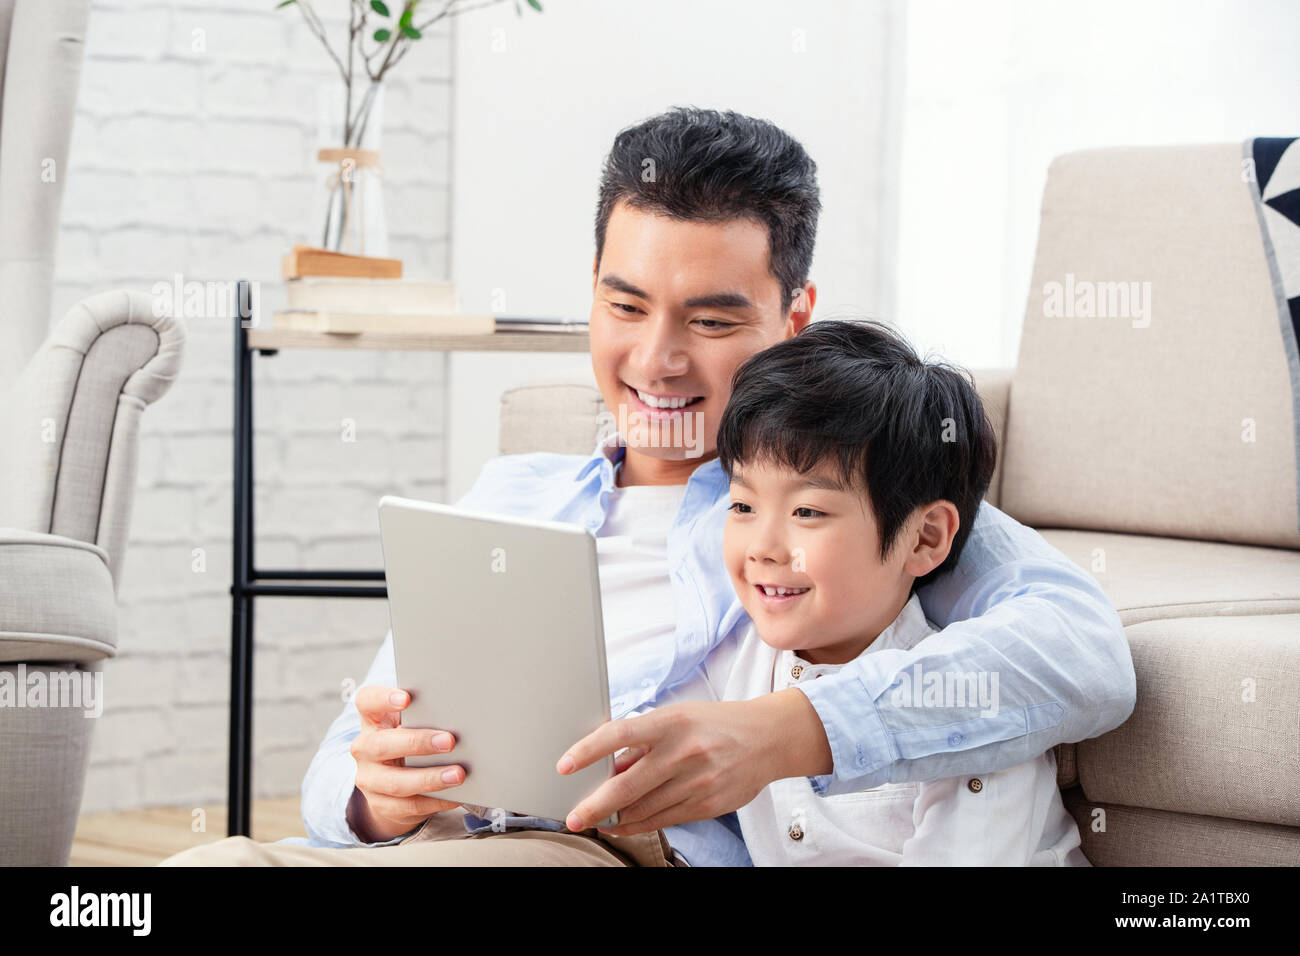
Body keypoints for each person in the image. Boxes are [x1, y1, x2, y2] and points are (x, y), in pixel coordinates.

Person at [160, 106, 1133, 867]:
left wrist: (779, 735)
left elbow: (1080, 654)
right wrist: (382, 791)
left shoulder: (840, 488)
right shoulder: (513, 492)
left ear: (795, 315)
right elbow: (341, 767)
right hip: (456, 839)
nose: (657, 360)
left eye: (711, 320)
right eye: (624, 304)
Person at [694, 318, 1089, 865]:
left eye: (807, 511)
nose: (762, 546)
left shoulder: (969, 719)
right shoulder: (737, 657)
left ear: (924, 538)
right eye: (742, 505)